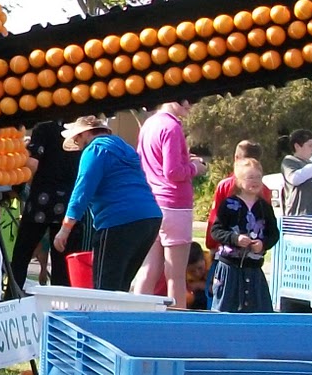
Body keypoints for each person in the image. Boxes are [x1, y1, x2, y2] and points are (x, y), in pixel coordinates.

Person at [53, 116, 162, 293]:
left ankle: (105, 311)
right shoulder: (124, 148)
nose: (78, 145)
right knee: (121, 285)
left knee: (105, 287)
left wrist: (65, 229)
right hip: (150, 218)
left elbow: (82, 190)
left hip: (118, 220)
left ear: (85, 133)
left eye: (77, 139)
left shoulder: (95, 149)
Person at [134, 100, 205, 307]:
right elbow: (173, 172)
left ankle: (136, 315)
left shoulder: (149, 124)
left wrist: (186, 162)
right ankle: (177, 319)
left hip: (152, 203)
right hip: (175, 205)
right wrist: (195, 168)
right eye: (187, 100)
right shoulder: (172, 127)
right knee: (175, 275)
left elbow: (143, 163)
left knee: (149, 269)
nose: (190, 105)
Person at [11, 118, 82, 289]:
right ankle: (59, 299)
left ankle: (13, 296)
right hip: (68, 202)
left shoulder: (43, 128)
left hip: (41, 201)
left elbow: (33, 164)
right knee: (61, 261)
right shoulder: (78, 132)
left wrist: (18, 186)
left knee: (22, 255)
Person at [208, 158, 280, 313]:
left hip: (253, 268)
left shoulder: (264, 207)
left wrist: (263, 244)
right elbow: (216, 231)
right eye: (250, 177)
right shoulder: (228, 204)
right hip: (229, 267)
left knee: (258, 312)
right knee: (225, 311)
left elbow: (273, 234)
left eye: (258, 177)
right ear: (239, 181)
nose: (255, 181)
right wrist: (235, 239)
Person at [204, 140, 268, 252]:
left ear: (236, 158)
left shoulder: (225, 185)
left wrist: (212, 245)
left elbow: (214, 216)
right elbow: (217, 222)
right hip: (230, 249)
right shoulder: (264, 188)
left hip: (252, 251)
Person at [278, 128, 312, 217]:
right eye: (310, 145)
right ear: (297, 146)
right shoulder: (290, 161)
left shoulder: (311, 164)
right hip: (297, 215)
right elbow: (294, 178)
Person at [184, 242, 209, 309]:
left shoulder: (213, 264)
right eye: (192, 271)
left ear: (204, 259)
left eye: (200, 268)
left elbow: (219, 289)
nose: (197, 273)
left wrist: (200, 285)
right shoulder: (181, 271)